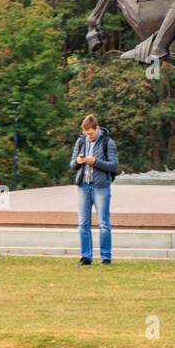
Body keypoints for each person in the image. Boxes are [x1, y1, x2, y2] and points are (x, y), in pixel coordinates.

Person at [70, 114, 119, 266]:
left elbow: (113, 165)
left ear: (97, 128)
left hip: (101, 187)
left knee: (103, 223)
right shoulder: (80, 141)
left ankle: (106, 257)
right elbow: (72, 164)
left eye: (91, 133)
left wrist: (95, 161)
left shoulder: (108, 142)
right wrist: (78, 161)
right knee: (83, 223)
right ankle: (86, 257)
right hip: (83, 186)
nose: (89, 137)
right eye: (86, 134)